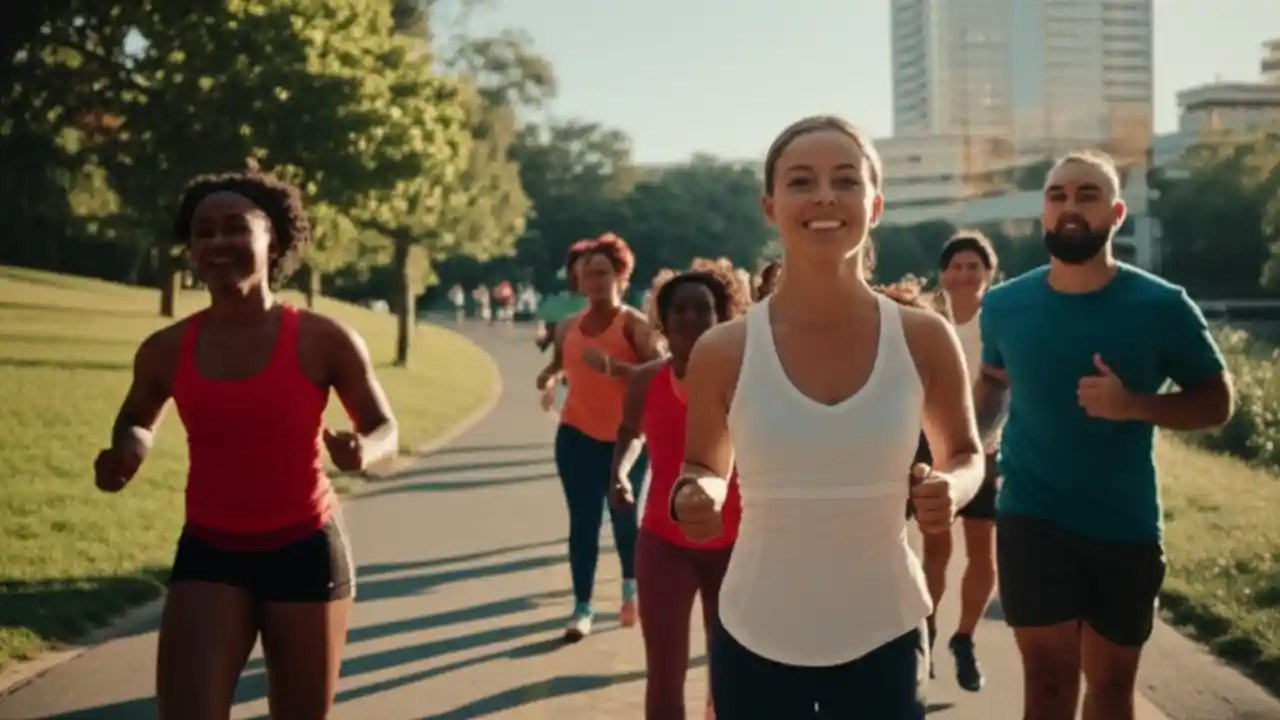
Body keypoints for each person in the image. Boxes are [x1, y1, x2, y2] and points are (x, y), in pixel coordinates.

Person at [671, 115, 985, 718]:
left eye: (845, 180)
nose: (823, 196)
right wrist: (696, 493)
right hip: (754, 630)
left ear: (875, 203)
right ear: (770, 205)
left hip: (884, 629)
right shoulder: (725, 349)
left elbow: (966, 456)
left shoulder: (924, 338)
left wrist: (952, 487)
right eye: (800, 181)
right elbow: (702, 465)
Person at [93, 166, 398, 719]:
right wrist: (128, 452)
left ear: (274, 239)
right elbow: (137, 417)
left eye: (235, 228)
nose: (217, 242)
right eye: (203, 232)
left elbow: (384, 426)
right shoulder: (165, 349)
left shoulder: (322, 339)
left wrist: (363, 450)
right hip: (211, 550)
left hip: (306, 548)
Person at [973, 150, 1234, 720]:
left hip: (1122, 522)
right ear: (1042, 213)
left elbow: (1217, 402)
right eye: (1057, 195)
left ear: (1116, 214)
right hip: (1030, 513)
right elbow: (994, 381)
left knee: (1112, 689)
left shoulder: (1161, 306)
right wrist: (973, 439)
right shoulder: (1003, 305)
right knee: (1044, 681)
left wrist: (1133, 405)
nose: (1069, 207)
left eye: (1086, 195)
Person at [610, 264, 751, 720]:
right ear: (664, 321)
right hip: (664, 542)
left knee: (731, 672)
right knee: (665, 673)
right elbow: (631, 432)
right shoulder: (645, 379)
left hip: (736, 544)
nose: (691, 318)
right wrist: (621, 472)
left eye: (703, 309)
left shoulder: (748, 379)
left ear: (722, 317)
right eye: (680, 309)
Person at [536, 232, 663, 641]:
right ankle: (582, 608)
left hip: (625, 442)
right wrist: (550, 376)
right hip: (575, 436)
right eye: (587, 274)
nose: (595, 281)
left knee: (625, 520)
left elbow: (661, 375)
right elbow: (561, 360)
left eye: (604, 273)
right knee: (583, 524)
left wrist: (612, 368)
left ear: (622, 276)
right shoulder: (568, 326)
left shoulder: (635, 326)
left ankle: (630, 589)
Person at [917, 230, 1003, 692]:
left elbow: (1004, 388)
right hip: (936, 453)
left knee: (982, 555)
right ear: (943, 275)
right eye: (956, 266)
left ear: (989, 275)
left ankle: (964, 638)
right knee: (936, 551)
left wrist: (980, 440)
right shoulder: (930, 323)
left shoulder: (998, 322)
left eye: (975, 266)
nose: (965, 274)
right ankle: (925, 632)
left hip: (987, 454)